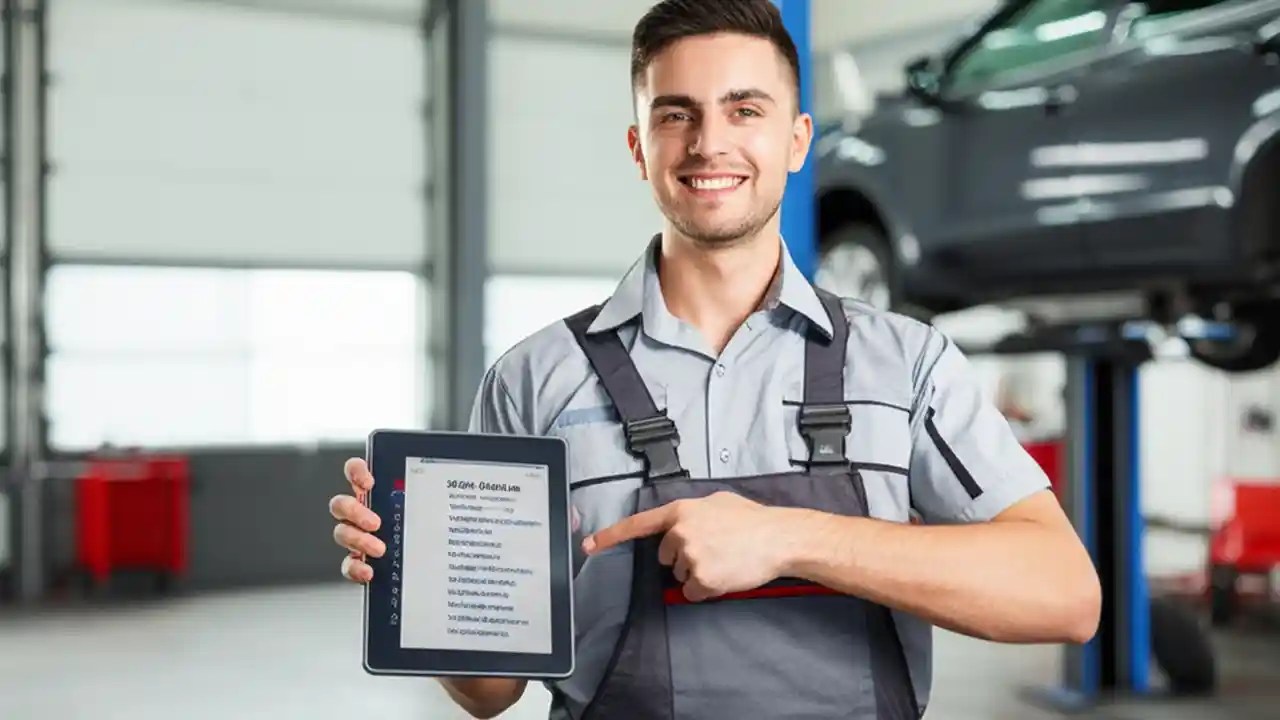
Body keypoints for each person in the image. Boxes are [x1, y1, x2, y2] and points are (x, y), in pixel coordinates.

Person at [329, 1, 1102, 717]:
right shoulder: (535, 382)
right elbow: (489, 692)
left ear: (797, 139)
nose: (709, 143)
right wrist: (420, 575)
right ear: (640, 146)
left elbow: (1064, 596)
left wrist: (789, 538)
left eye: (744, 109)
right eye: (677, 114)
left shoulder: (906, 366)